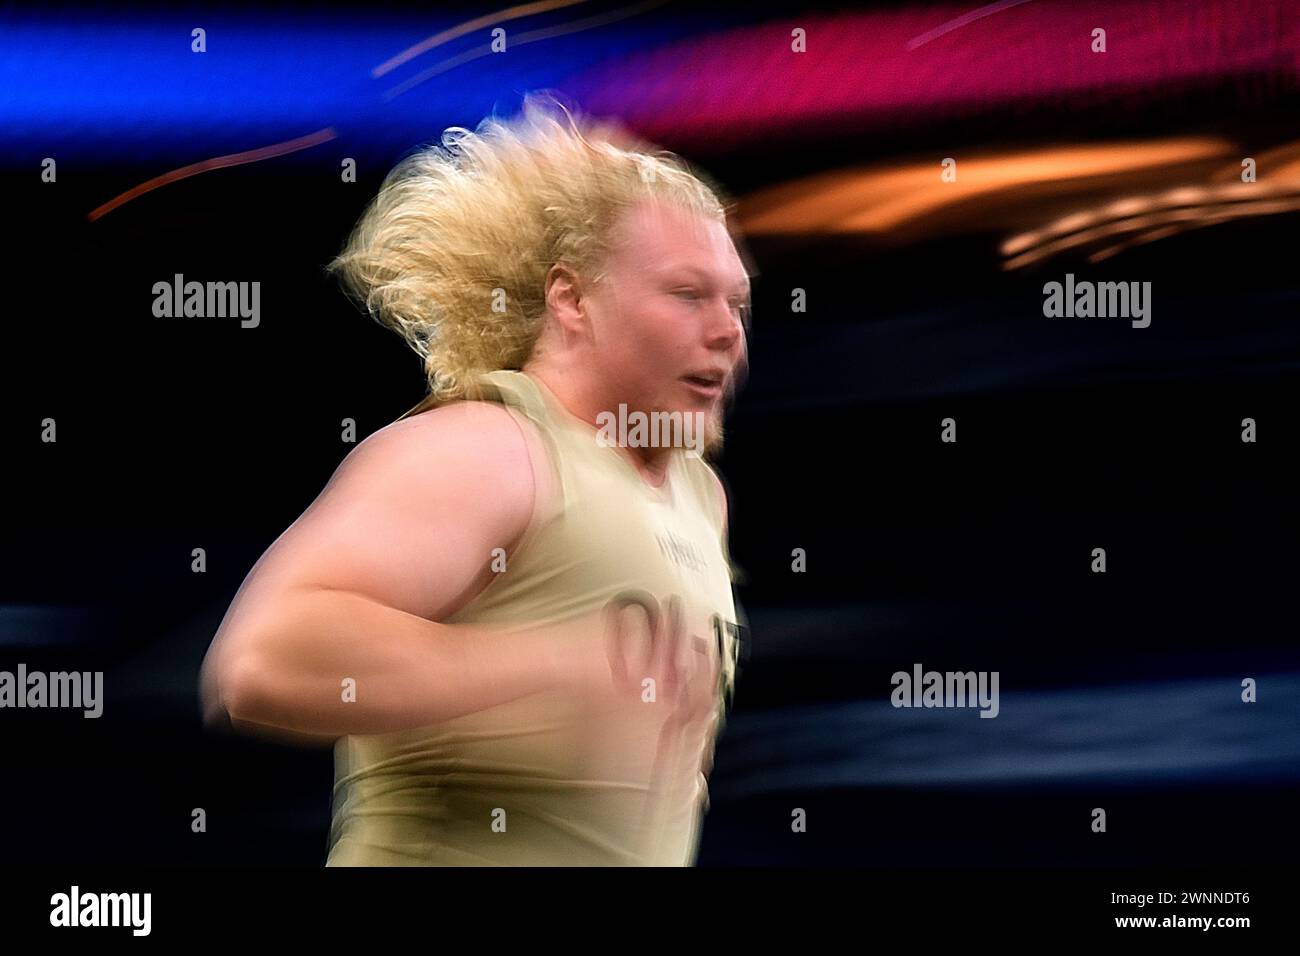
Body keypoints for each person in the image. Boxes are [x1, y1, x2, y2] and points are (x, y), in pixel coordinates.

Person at [199, 92, 752, 865]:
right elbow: (265, 660)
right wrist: (552, 666)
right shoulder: (488, 448)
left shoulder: (699, 497)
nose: (728, 332)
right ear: (572, 299)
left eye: (736, 302)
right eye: (688, 296)